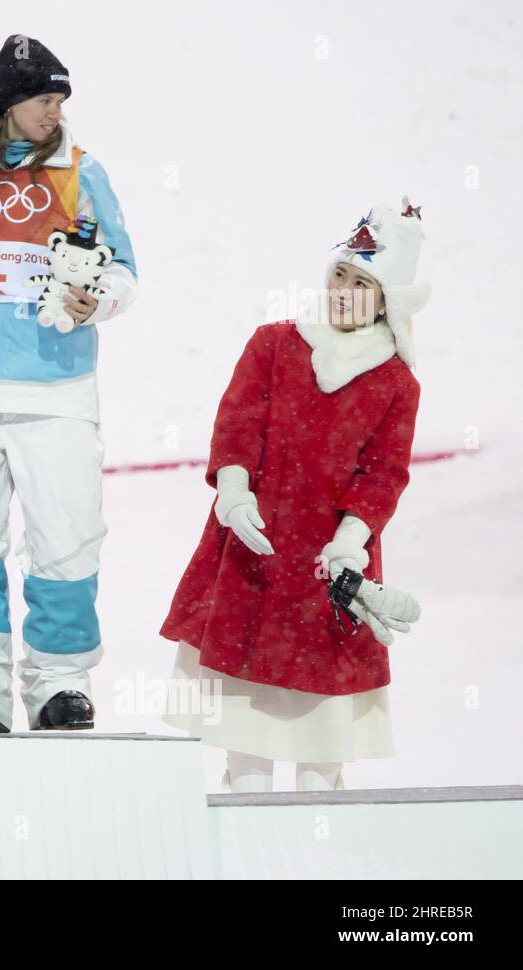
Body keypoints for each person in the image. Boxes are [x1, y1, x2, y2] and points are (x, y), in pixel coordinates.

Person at [159, 200, 429, 792]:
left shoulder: (396, 383)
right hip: (254, 551)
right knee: (247, 738)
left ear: (387, 300)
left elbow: (386, 471)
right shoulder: (275, 344)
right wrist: (232, 489)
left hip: (329, 565)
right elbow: (237, 425)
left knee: (319, 747)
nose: (344, 290)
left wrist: (352, 540)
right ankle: (244, 800)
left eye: (363, 283)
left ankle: (318, 827)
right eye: (340, 274)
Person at [0, 35, 138, 732]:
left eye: (60, 99)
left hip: (56, 391)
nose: (56, 111)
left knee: (67, 540)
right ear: (9, 104)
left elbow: (125, 270)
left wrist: (95, 301)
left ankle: (59, 684)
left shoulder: (82, 167)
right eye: (44, 99)